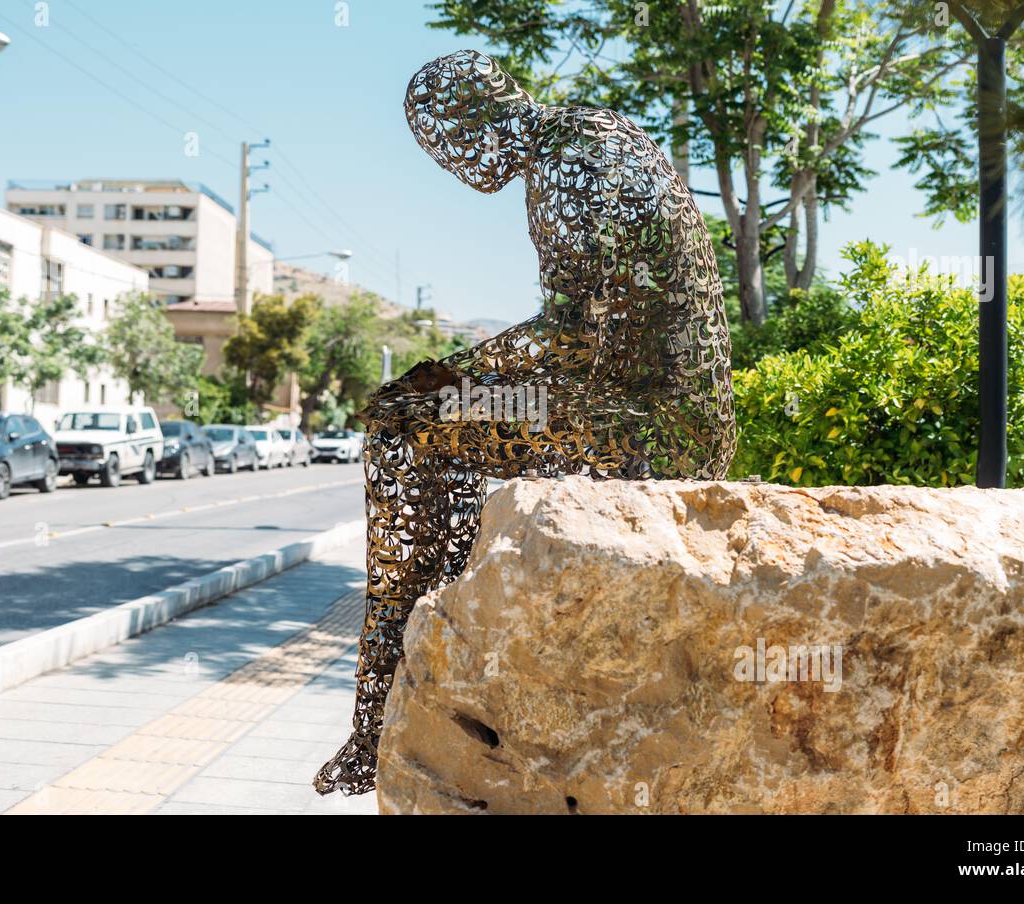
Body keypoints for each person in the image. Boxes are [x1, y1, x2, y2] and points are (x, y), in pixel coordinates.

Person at [313, 50, 735, 795]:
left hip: (647, 424)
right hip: (652, 409)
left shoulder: (566, 161)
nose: (452, 167)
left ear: (468, 125)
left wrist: (443, 378)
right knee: (421, 419)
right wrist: (462, 384)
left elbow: (569, 337)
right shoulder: (592, 135)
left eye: (442, 147)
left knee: (401, 429)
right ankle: (426, 660)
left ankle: (385, 711)